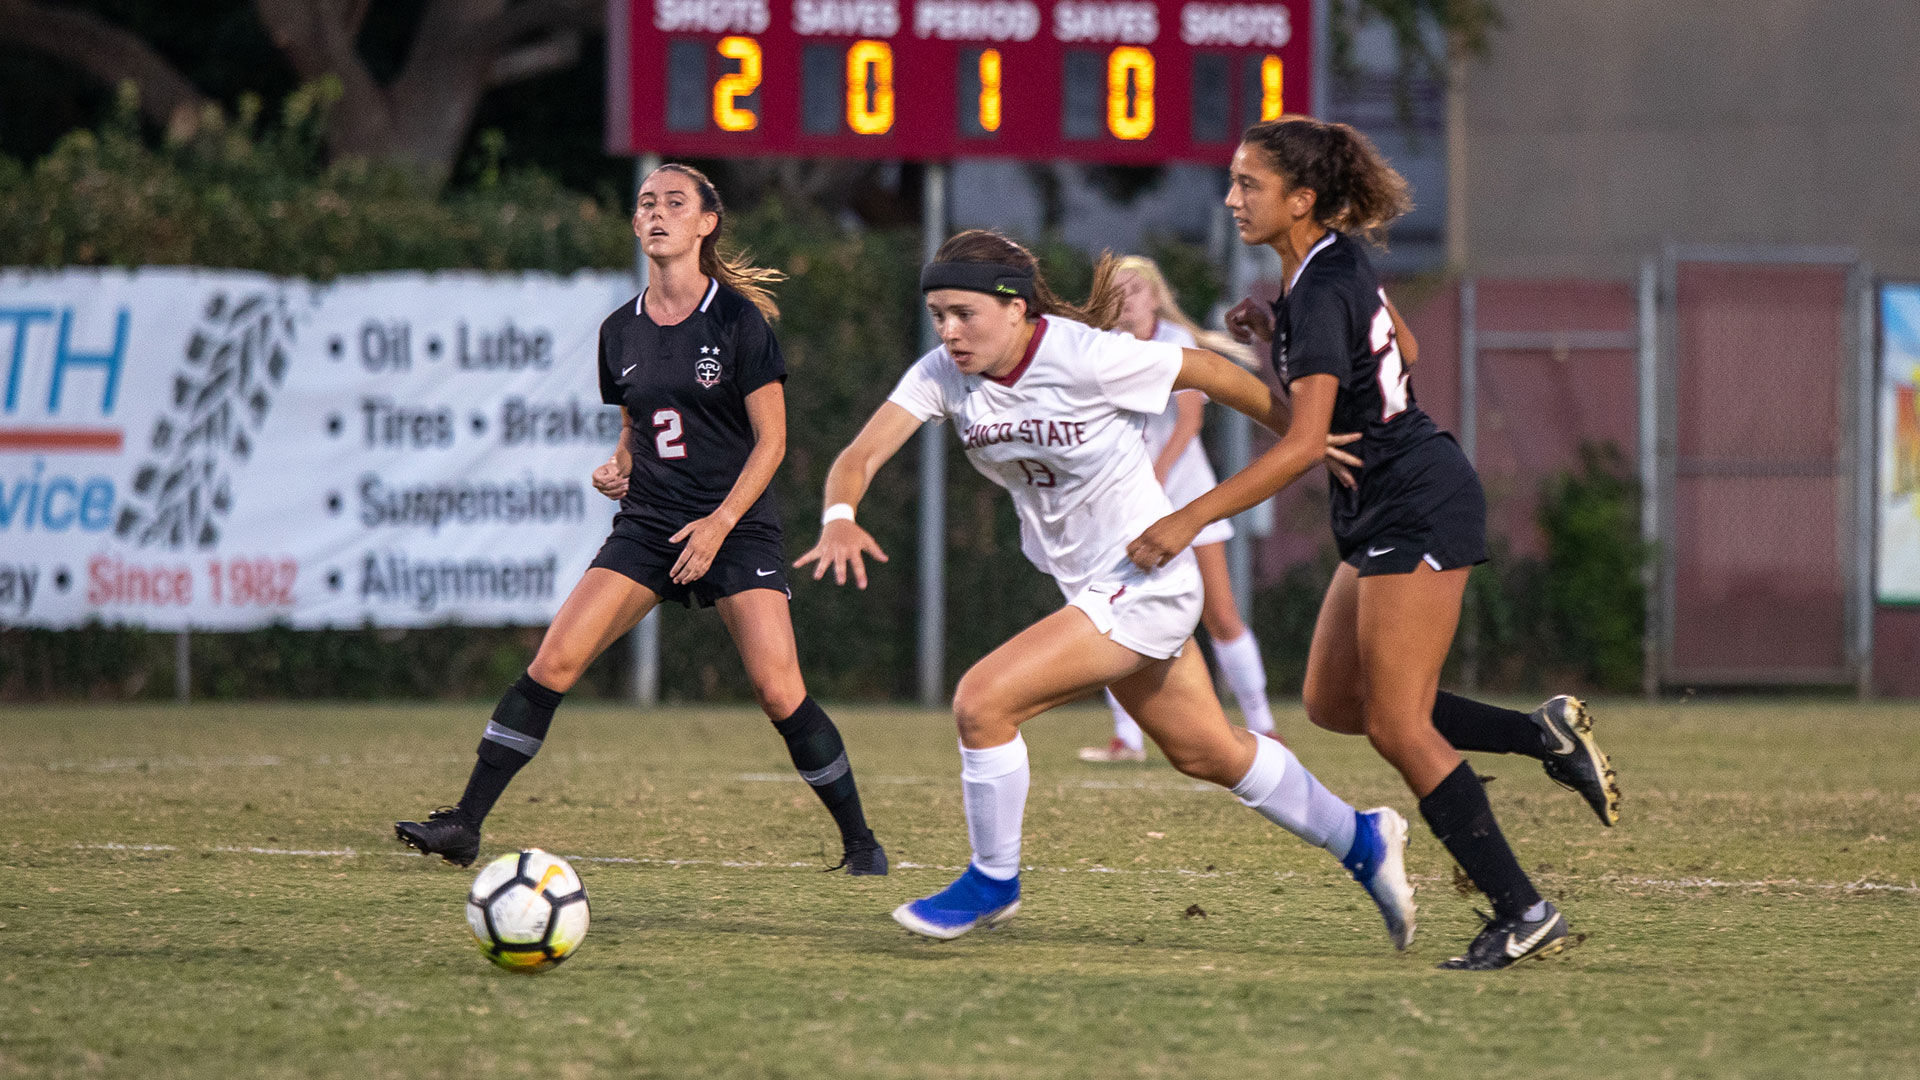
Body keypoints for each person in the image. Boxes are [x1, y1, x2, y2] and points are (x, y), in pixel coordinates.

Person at [794, 228, 1415, 947]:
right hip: (1091, 586)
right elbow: (859, 454)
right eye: (938, 315)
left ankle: (993, 880)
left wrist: (1304, 433)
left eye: (964, 313)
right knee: (1207, 752)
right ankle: (1364, 839)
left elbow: (1208, 372)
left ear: (1017, 306)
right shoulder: (943, 373)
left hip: (1144, 578)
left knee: (983, 701)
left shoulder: (1085, 354)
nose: (949, 331)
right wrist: (839, 515)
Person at [1126, 117, 1619, 970]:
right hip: (1386, 509)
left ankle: (1524, 909)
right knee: (1332, 703)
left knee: (1396, 721)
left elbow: (1302, 442)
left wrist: (1186, 519)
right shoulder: (1331, 265)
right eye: (1234, 180)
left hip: (1416, 507)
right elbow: (1404, 345)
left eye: (1249, 184)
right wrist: (1271, 330)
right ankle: (1544, 738)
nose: (1232, 197)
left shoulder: (1318, 288)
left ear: (1302, 199)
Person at [395, 164, 887, 876]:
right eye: (647, 202)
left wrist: (719, 523)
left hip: (735, 523)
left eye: (674, 203)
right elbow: (640, 417)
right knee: (554, 661)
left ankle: (861, 845)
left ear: (705, 223)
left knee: (780, 690)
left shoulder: (738, 321)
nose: (656, 213)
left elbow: (773, 442)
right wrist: (620, 461)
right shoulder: (618, 330)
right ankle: (465, 823)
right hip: (651, 520)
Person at [1078, 254, 1279, 763]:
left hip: (1186, 494)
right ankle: (1128, 738)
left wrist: (1158, 479)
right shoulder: (1104, 347)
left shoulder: (1175, 342)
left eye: (1135, 288)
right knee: (1111, 611)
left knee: (1220, 614)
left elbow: (1188, 423)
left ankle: (1264, 727)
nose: (1125, 297)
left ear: (1154, 295)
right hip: (1127, 501)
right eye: (1115, 289)